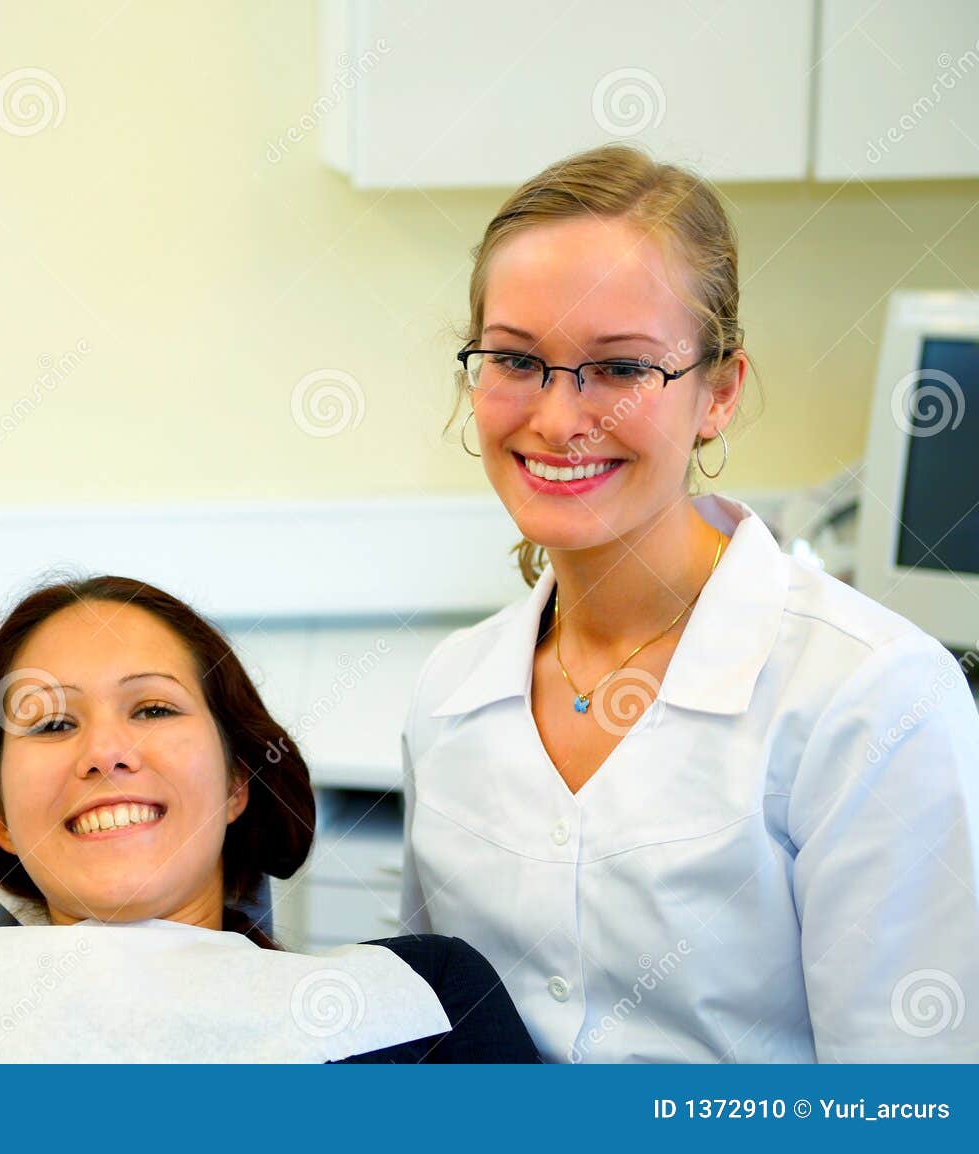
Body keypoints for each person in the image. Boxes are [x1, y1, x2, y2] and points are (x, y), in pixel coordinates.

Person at [400, 143, 979, 1062]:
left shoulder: (873, 698)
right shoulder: (450, 692)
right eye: (515, 360)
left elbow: (911, 1108)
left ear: (719, 392)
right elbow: (436, 1046)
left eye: (622, 368)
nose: (556, 419)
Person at [0, 576, 539, 1063]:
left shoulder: (424, 1007)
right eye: (50, 724)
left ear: (238, 780)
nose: (105, 752)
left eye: (153, 708)